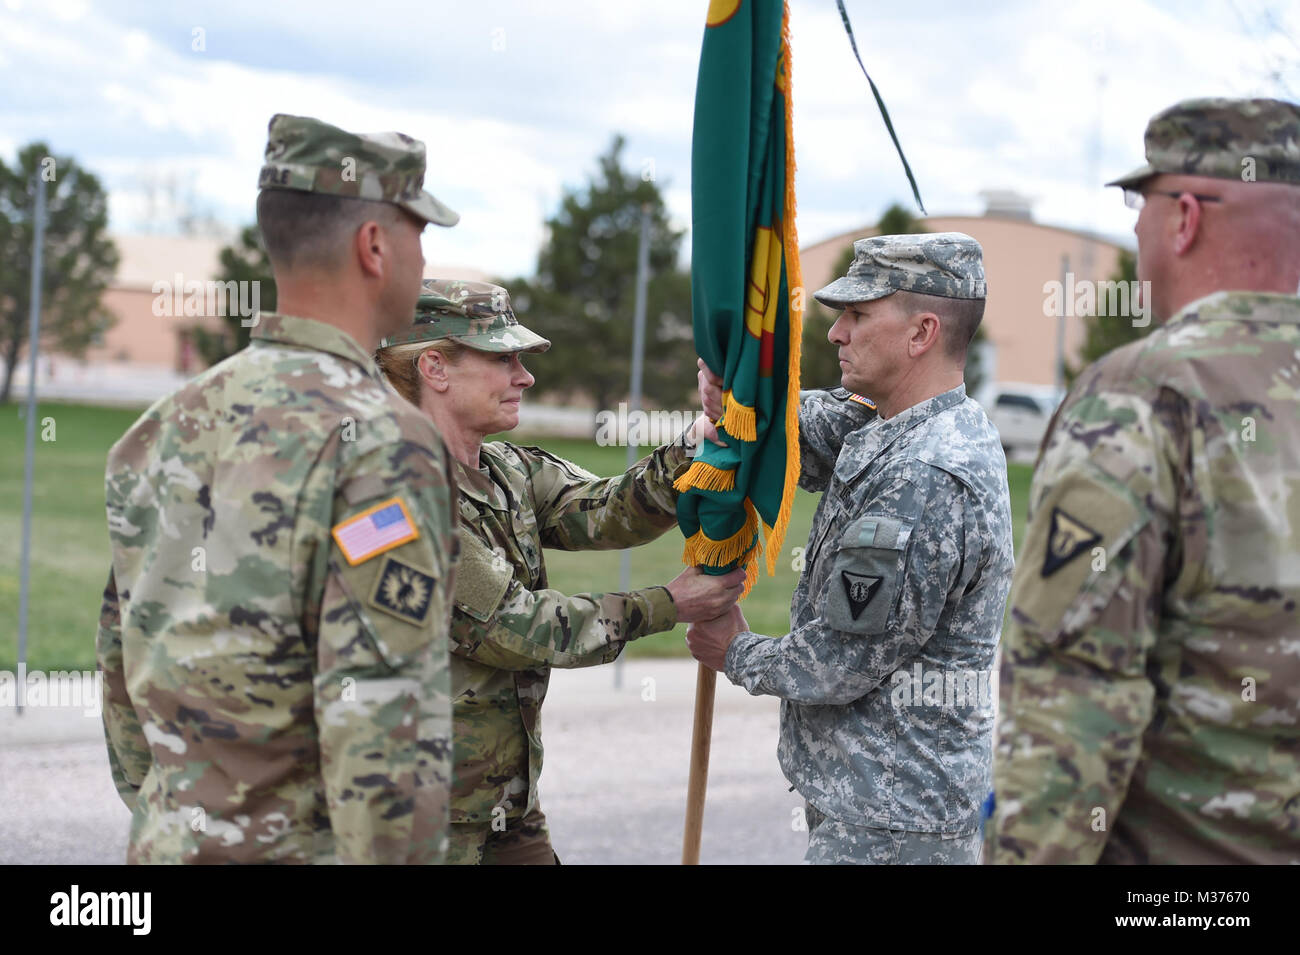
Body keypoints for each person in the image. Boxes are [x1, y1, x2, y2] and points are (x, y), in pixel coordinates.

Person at [96, 114, 461, 864]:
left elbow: (122, 682)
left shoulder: (158, 429)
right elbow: (383, 734)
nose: (425, 259)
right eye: (420, 232)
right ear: (375, 246)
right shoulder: (382, 442)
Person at [985, 97, 1300, 865]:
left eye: (1140, 203)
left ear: (1185, 216)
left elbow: (1074, 696)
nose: (1134, 229)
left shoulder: (1143, 393)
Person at [374, 278, 745, 864]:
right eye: (504, 359)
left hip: (503, 802)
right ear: (436, 368)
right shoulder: (390, 496)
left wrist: (695, 449)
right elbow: (518, 629)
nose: (525, 377)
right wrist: (668, 605)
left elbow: (609, 512)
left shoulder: (504, 470)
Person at [688, 233, 1014, 864]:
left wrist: (735, 651)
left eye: (859, 315)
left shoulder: (928, 471)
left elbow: (839, 659)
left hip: (892, 822)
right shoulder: (905, 419)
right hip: (880, 804)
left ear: (920, 334)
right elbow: (802, 433)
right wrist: (737, 402)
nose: (836, 333)